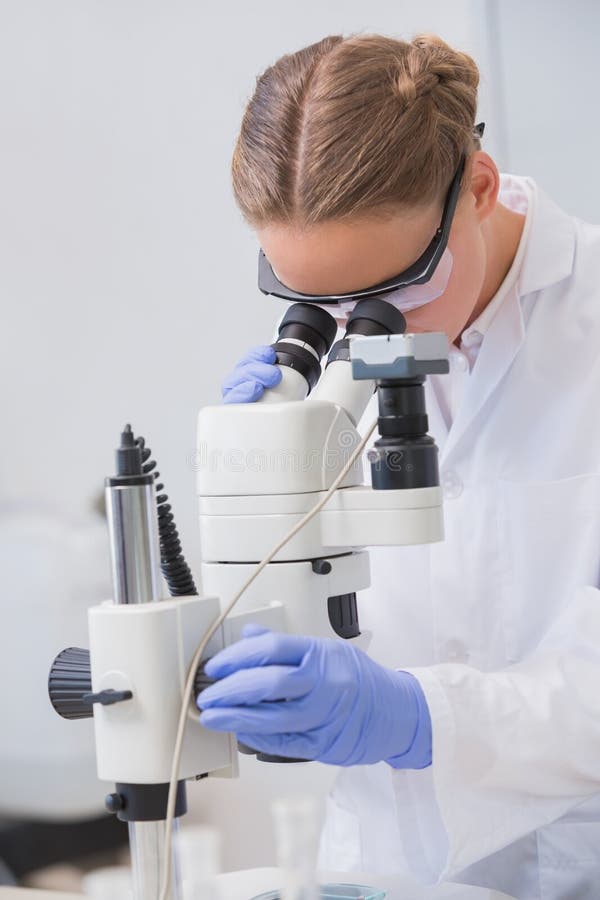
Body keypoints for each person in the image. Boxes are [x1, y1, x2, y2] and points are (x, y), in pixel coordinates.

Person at [197, 33, 600, 899]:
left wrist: (420, 715)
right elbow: (334, 641)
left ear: (480, 188)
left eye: (389, 293)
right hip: (385, 867)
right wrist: (265, 489)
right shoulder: (336, 373)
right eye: (313, 301)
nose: (351, 332)